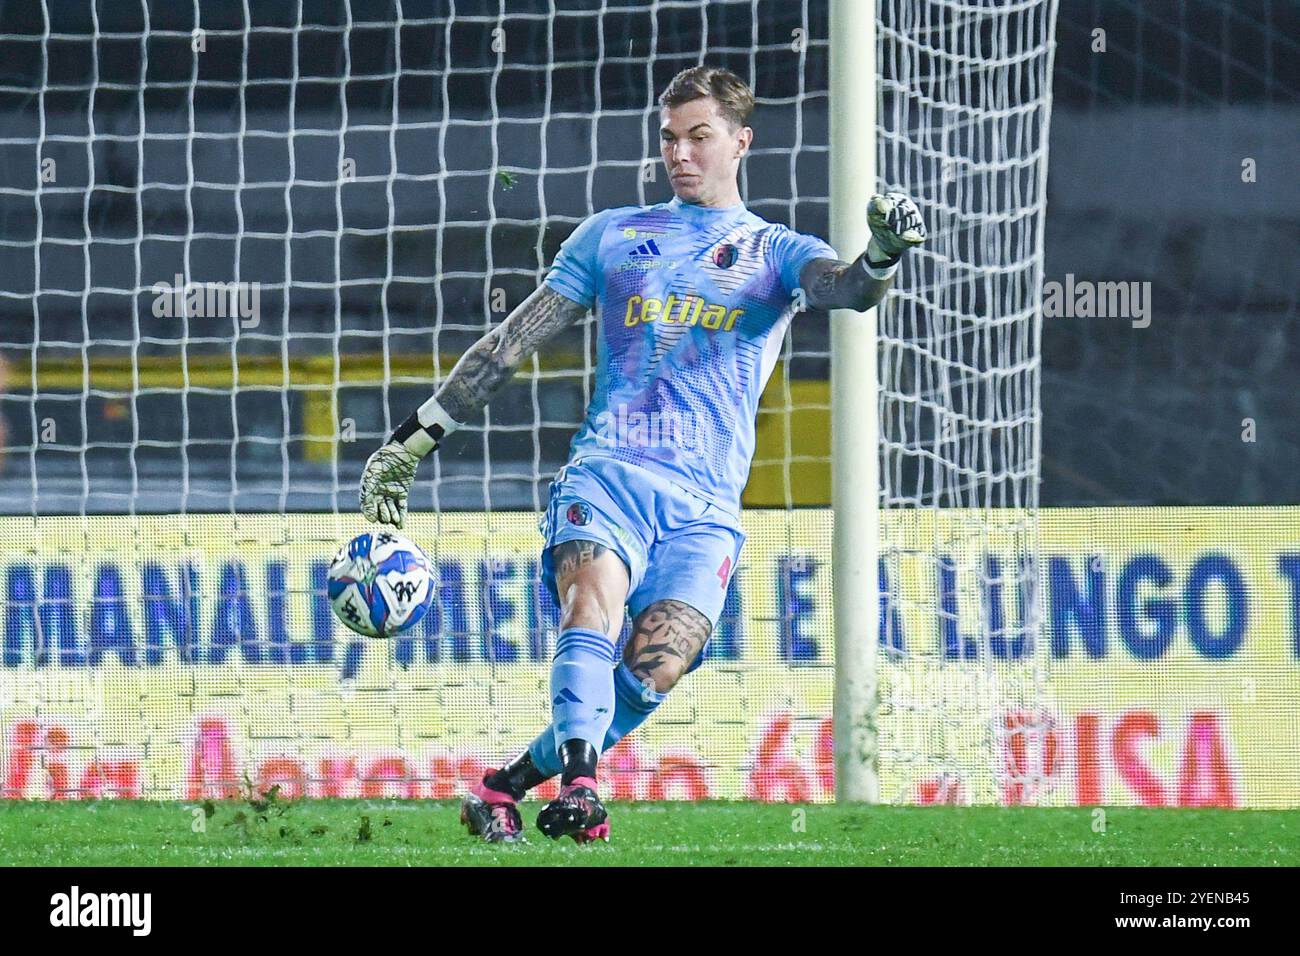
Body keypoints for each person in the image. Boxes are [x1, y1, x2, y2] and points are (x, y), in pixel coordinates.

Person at [359, 65, 926, 843]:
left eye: (700, 137)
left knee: (656, 666)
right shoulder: (614, 235)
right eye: (670, 138)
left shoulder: (774, 250)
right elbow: (509, 343)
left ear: (740, 141)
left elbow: (848, 290)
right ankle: (585, 786)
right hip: (610, 472)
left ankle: (502, 788)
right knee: (589, 606)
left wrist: (884, 256)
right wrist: (409, 443)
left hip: (706, 505)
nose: (681, 154)